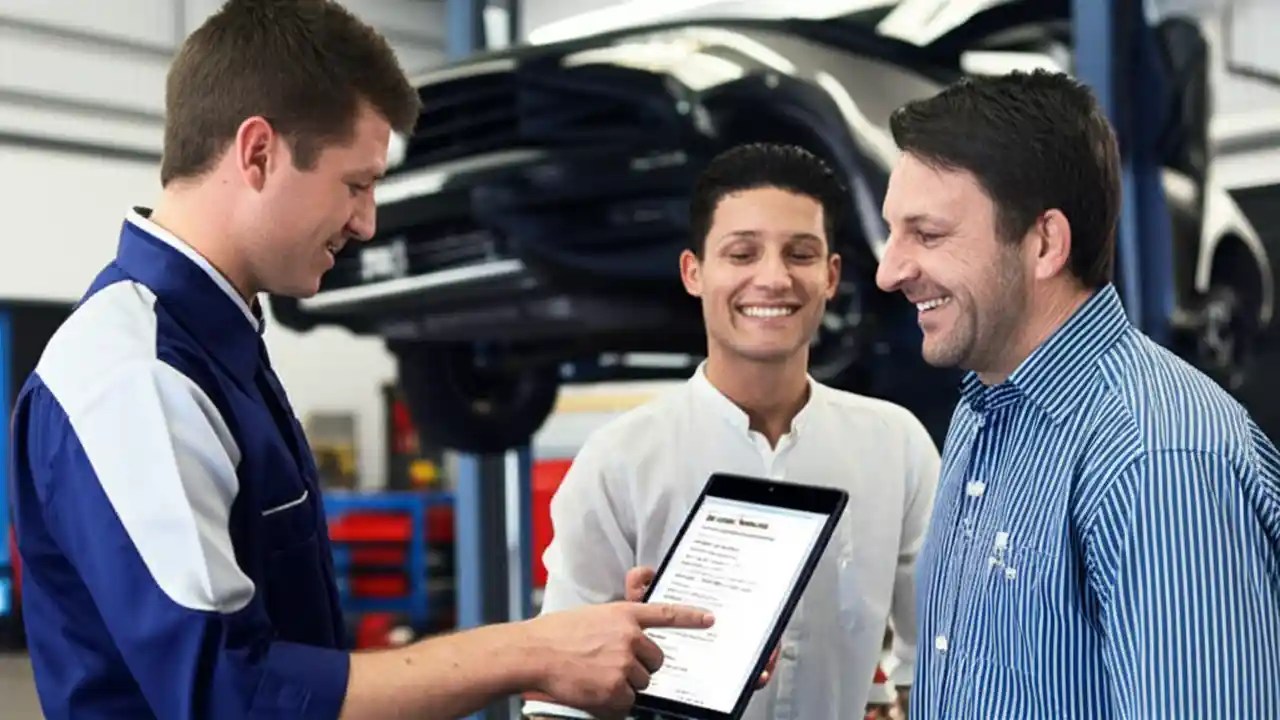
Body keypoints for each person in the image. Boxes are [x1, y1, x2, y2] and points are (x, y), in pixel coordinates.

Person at [7, 2, 715, 719]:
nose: (368, 221)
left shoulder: (213, 343)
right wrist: (532, 652)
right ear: (258, 153)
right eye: (356, 183)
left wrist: (578, 640)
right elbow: (231, 696)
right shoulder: (137, 375)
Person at [877, 69, 1280, 718]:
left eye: (927, 234)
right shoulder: (980, 415)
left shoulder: (1160, 461)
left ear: (1045, 243)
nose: (888, 270)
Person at [523, 143, 940, 720]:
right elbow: (556, 703)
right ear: (694, 273)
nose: (773, 278)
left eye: (801, 254)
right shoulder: (619, 461)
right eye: (742, 254)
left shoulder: (896, 448)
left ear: (830, 276)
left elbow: (940, 664)